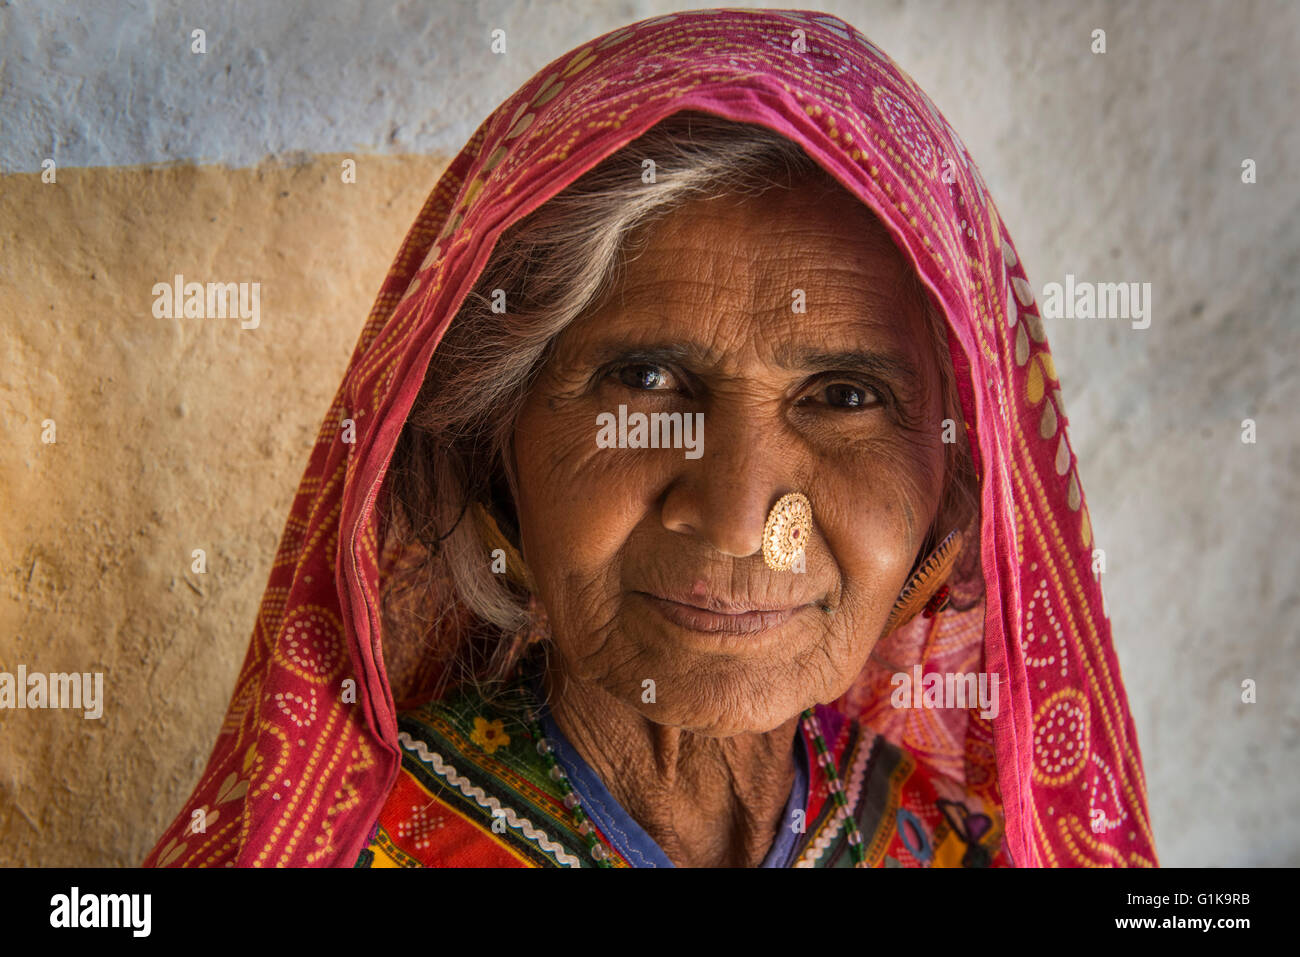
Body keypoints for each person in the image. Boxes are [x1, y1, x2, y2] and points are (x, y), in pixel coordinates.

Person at [144, 8, 1157, 868]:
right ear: (491, 450)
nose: (734, 519)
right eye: (643, 381)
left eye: (842, 395)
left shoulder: (944, 846)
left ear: (953, 484)